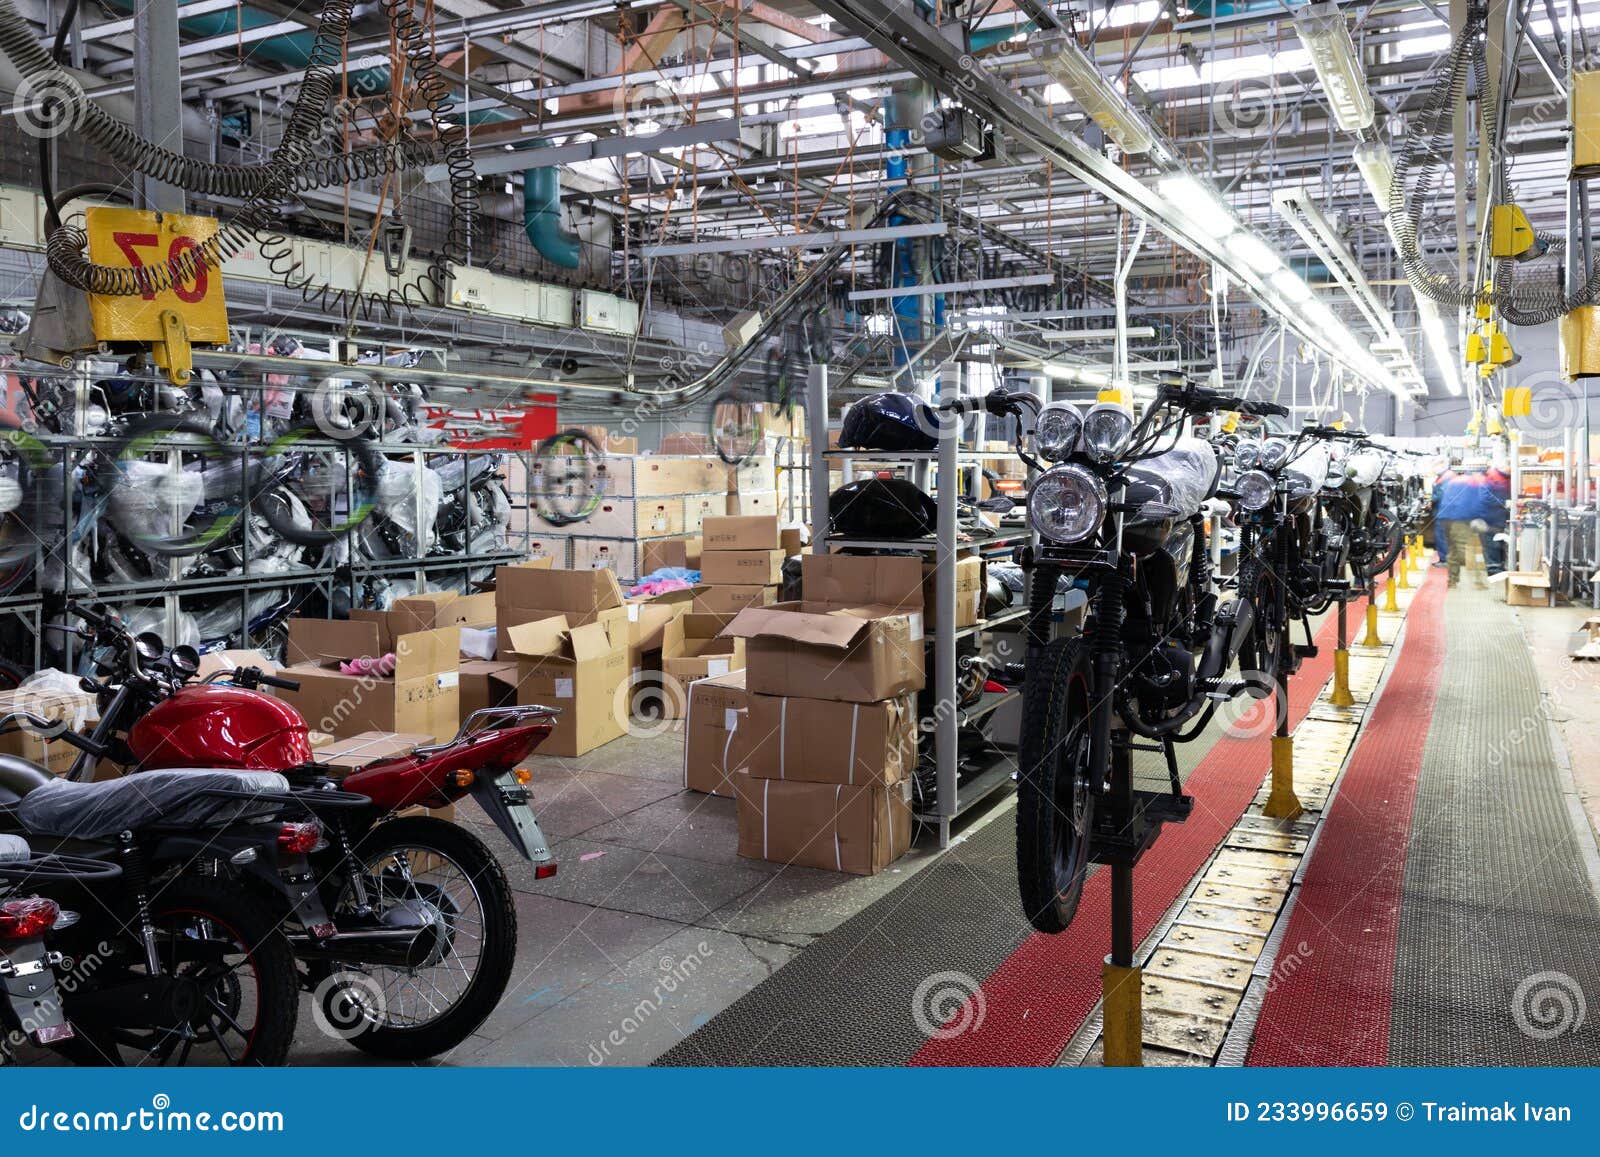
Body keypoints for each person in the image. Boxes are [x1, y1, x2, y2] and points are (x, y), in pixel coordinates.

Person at [1434, 463, 1510, 587]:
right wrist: (1482, 519)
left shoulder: (1456, 480)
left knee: (1453, 550)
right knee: (1467, 551)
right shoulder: (1479, 481)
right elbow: (1480, 501)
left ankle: (1452, 580)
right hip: (1462, 519)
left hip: (1445, 517)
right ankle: (1478, 582)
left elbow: (1444, 497)